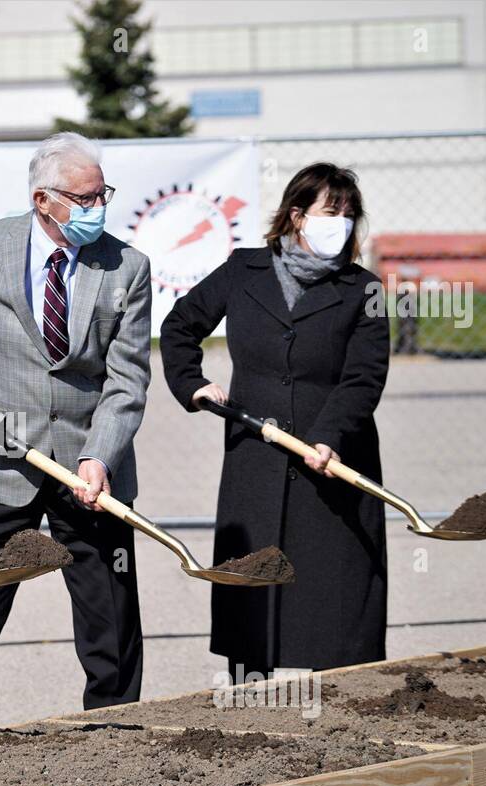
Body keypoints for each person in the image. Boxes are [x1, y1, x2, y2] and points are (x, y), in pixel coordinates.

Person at [0, 132, 152, 732]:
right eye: (85, 198)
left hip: (89, 471)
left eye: (104, 195)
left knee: (112, 625)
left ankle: (114, 739)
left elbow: (127, 381)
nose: (98, 207)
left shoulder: (128, 267)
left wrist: (101, 456)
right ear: (44, 199)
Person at [160, 162, 389, 678]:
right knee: (253, 589)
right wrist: (191, 383)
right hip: (255, 459)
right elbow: (179, 327)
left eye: (351, 215)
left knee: (336, 591)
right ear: (297, 215)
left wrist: (329, 437)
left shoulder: (365, 290)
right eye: (332, 212)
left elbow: (364, 379)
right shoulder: (244, 271)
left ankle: (346, 702)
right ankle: (248, 709)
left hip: (333, 459)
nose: (343, 223)